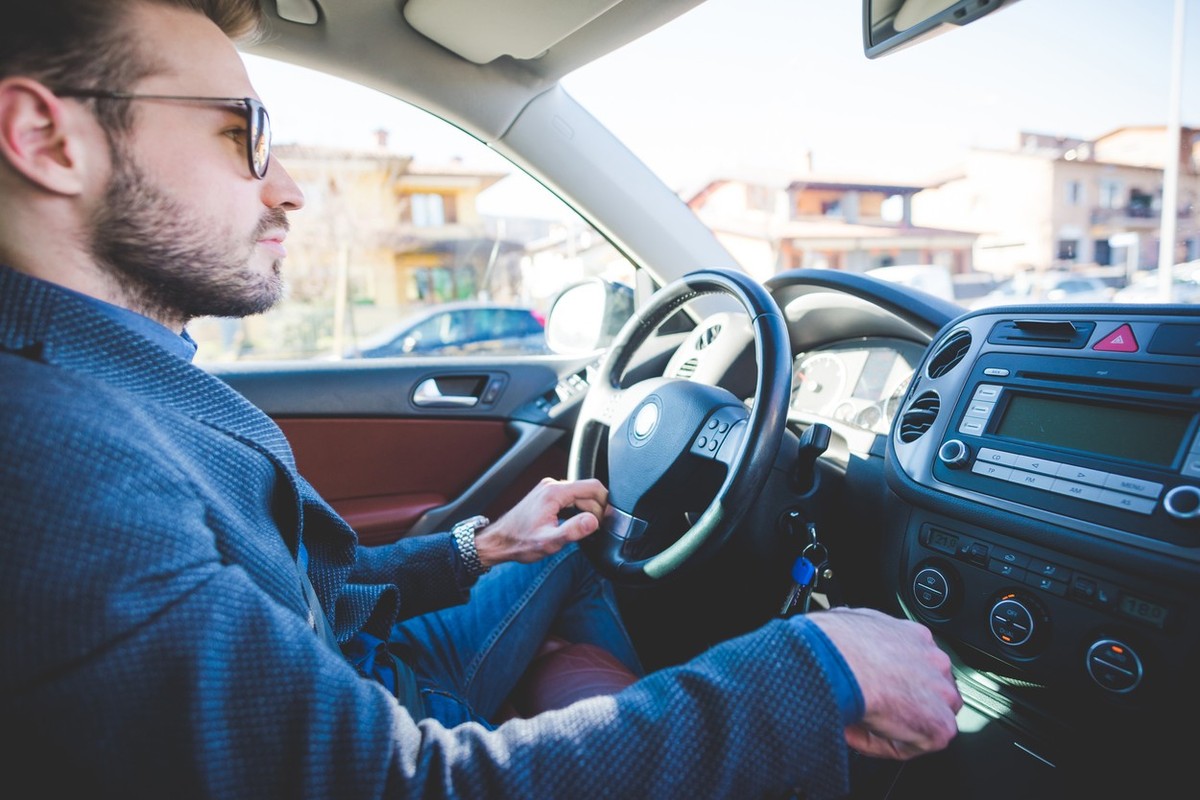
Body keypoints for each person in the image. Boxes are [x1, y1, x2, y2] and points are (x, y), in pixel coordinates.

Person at [0, 1, 963, 797]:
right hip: (400, 716)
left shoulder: (110, 379)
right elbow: (397, 783)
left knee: (584, 544)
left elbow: (295, 595)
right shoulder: (51, 460)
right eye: (240, 132)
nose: (287, 187)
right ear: (47, 139)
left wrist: (478, 547)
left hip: (365, 667)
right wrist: (816, 666)